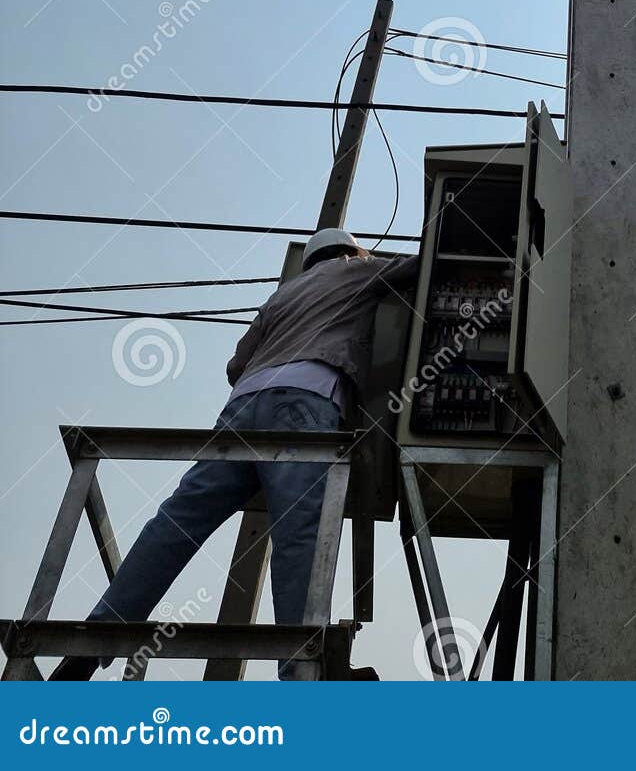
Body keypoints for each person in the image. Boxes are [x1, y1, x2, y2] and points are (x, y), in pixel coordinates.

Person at [49, 228, 418, 681]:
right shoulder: (357, 270)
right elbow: (421, 266)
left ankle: (93, 639)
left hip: (241, 410)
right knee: (299, 536)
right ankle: (302, 666)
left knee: (177, 522)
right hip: (306, 401)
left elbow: (235, 366)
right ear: (352, 251)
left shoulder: (281, 297)